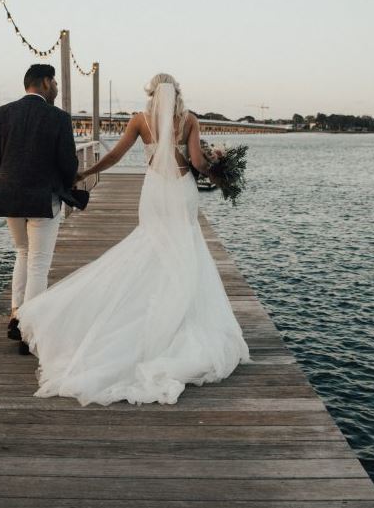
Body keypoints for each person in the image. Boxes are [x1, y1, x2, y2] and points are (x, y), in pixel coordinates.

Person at [16, 73, 250, 405]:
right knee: (185, 246)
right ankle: (177, 313)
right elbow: (197, 162)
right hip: (182, 191)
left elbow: (116, 156)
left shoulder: (140, 121)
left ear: (152, 94)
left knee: (152, 244)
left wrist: (85, 172)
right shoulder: (190, 121)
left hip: (154, 190)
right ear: (178, 93)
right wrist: (220, 171)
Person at [0, 64, 78, 355]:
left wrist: (15, 169)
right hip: (42, 197)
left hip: (10, 194)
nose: (57, 88)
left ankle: (16, 314)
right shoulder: (58, 117)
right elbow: (68, 163)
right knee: (38, 261)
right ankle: (30, 328)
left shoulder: (1, 113)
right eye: (55, 83)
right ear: (45, 82)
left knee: (22, 253)